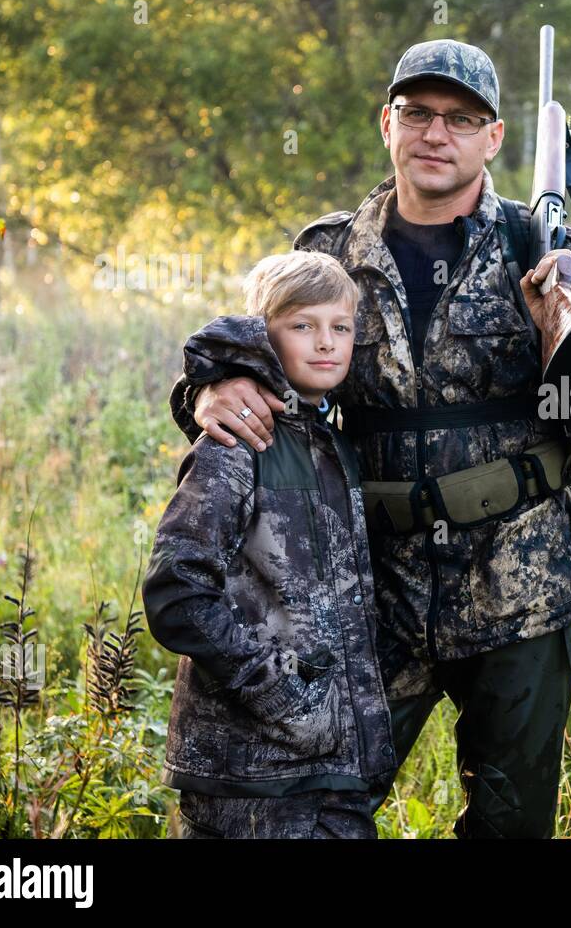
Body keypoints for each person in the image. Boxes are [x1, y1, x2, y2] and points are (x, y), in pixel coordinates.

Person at [166, 39, 571, 838]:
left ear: (493, 139)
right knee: (315, 810)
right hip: (367, 593)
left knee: (509, 826)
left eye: (461, 119)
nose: (438, 134)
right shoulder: (329, 251)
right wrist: (211, 387)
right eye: (419, 114)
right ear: (388, 125)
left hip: (521, 591)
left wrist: (565, 336)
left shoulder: (544, 250)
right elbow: (254, 361)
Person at [143, 251, 397, 838]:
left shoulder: (332, 444)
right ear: (263, 335)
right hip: (253, 774)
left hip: (329, 773)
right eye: (302, 326)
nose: (326, 343)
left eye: (341, 327)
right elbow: (175, 591)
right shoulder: (237, 444)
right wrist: (281, 695)